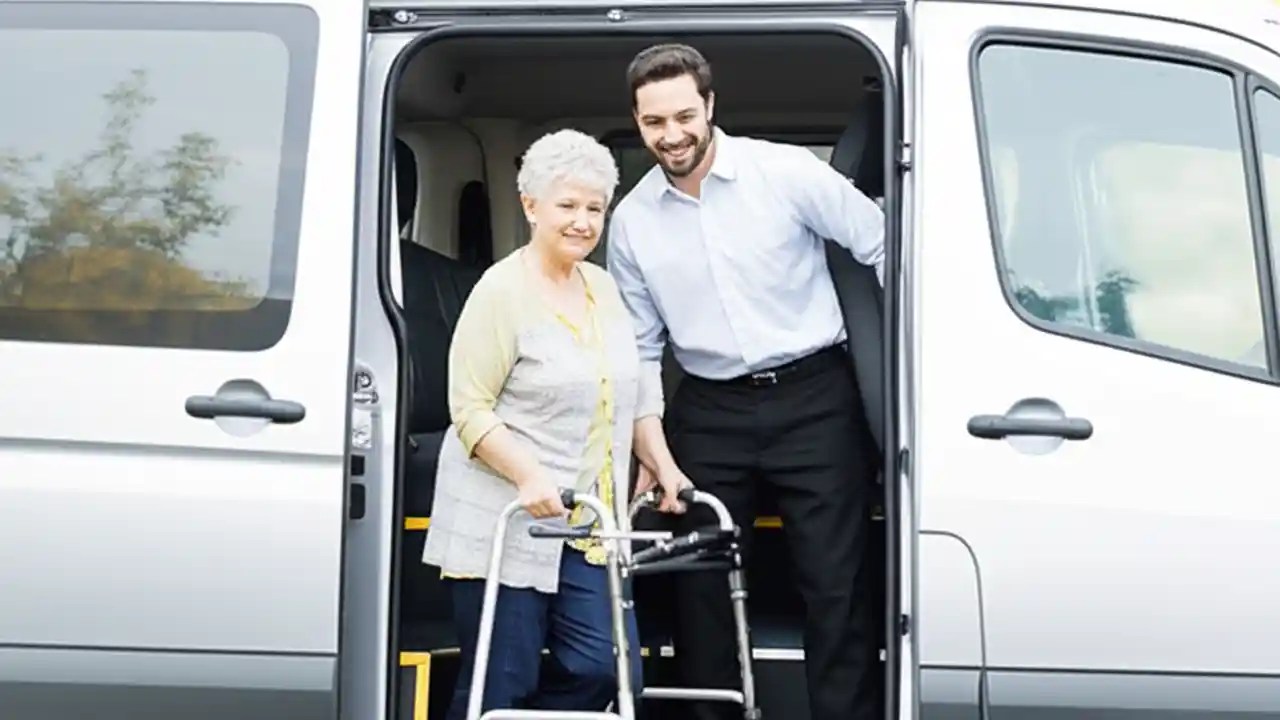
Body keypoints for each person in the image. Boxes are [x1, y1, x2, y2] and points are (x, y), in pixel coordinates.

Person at [605, 44, 885, 720]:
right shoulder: (632, 222)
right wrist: (654, 452)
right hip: (707, 408)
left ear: (709, 106)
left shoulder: (784, 172)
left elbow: (885, 247)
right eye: (652, 123)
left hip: (818, 398)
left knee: (835, 585)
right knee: (700, 591)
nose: (670, 135)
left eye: (682, 116)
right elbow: (639, 352)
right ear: (638, 123)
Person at [421, 128, 692, 720]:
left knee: (608, 669)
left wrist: (661, 463)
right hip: (509, 516)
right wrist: (528, 476)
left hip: (589, 522)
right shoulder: (501, 291)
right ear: (530, 206)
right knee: (503, 683)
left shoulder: (604, 287)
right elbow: (468, 409)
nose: (583, 221)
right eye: (567, 205)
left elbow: (636, 391)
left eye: (595, 208)